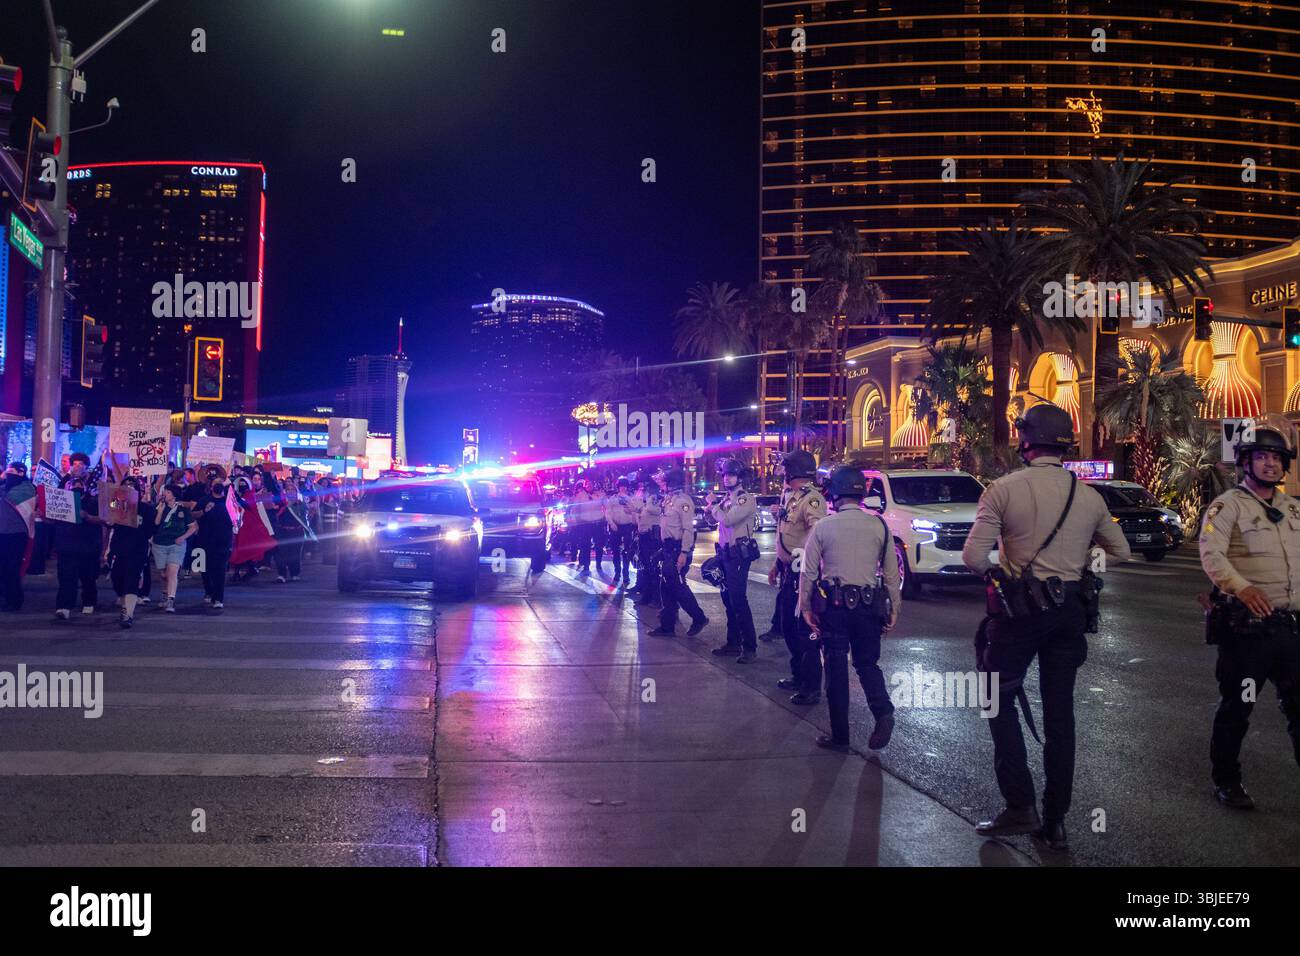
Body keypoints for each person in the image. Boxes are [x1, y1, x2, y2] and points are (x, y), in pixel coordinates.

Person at [961, 403, 1130, 851]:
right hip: (1069, 613)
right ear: (1065, 443)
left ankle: (1020, 805)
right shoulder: (1089, 496)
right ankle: (1054, 822)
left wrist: (1006, 572)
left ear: (1026, 441)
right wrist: (1078, 570)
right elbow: (1121, 551)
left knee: (998, 701)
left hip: (1019, 615)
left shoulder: (1002, 490)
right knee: (1060, 716)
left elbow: (974, 559)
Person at [1198, 415, 1300, 811]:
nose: (1270, 464)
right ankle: (1226, 780)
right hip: (1248, 634)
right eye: (1261, 457)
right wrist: (1242, 587)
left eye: (1277, 458)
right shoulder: (1227, 507)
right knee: (1237, 709)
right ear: (1245, 462)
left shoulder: (1293, 509)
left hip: (1290, 631)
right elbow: (1211, 554)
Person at [800, 465, 901, 752]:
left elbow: (807, 574)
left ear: (833, 493)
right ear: (863, 492)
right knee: (867, 664)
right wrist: (895, 607)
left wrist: (805, 606)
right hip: (869, 607)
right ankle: (883, 712)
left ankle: (840, 736)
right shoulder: (879, 525)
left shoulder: (824, 526)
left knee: (835, 665)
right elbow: (891, 574)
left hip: (835, 607)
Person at [771, 450, 827, 705]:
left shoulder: (812, 500)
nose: (782, 473)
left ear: (794, 471)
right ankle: (798, 674)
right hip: (787, 571)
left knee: (806, 631)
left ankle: (812, 685)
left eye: (785, 469)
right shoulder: (791, 497)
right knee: (788, 626)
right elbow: (785, 534)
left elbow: (818, 535)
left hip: (802, 571)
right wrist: (775, 563)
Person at [708, 458, 760, 662]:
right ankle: (733, 642)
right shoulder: (726, 499)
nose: (726, 478)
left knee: (738, 600)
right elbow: (714, 519)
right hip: (725, 553)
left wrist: (712, 505)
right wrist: (713, 509)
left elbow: (728, 520)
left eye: (730, 474)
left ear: (739, 477)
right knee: (728, 599)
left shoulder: (743, 498)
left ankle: (750, 647)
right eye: (724, 475)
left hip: (738, 554)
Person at [648, 467, 709, 637]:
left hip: (678, 549)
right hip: (668, 548)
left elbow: (688, 529)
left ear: (671, 483)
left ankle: (699, 617)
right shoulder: (669, 500)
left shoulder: (683, 501)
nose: (661, 484)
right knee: (666, 587)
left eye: (664, 481)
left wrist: (684, 552)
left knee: (678, 586)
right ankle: (667, 627)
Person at [52, 471, 104, 621]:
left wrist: (88, 517)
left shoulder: (94, 501)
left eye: (79, 484)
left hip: (88, 547)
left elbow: (106, 519)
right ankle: (64, 606)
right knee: (66, 577)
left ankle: (89, 601)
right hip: (66, 546)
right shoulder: (60, 501)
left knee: (88, 577)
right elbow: (50, 520)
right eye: (72, 484)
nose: (76, 486)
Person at [107, 477, 156, 629]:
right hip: (119, 547)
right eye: (126, 486)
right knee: (117, 578)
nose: (129, 489)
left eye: (133, 487)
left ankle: (128, 613)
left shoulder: (146, 509)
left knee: (131, 580)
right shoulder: (115, 504)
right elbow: (108, 520)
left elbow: (150, 531)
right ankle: (124, 603)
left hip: (137, 549)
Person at [151, 481, 197, 613]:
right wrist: (159, 510)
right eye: (165, 491)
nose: (165, 494)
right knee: (163, 573)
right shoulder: (159, 507)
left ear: (174, 495)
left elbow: (193, 527)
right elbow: (156, 524)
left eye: (168, 492)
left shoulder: (183, 510)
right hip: (159, 544)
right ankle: (165, 593)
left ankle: (171, 599)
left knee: (172, 571)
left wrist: (183, 537)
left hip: (176, 544)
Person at [194, 474, 234, 609]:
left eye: (220, 483)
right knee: (204, 569)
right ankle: (209, 591)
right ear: (211, 487)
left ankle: (218, 598)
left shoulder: (229, 501)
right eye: (215, 483)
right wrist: (205, 511)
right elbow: (193, 514)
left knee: (219, 570)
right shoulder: (205, 500)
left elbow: (239, 514)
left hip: (223, 540)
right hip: (204, 540)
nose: (218, 485)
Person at [1, 466, 35, 611]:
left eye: (11, 473)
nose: (8, 476)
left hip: (17, 534)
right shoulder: (5, 487)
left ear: (21, 473)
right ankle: (5, 597)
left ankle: (14, 600)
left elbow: (9, 497)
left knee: (13, 568)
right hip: (2, 532)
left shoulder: (26, 489)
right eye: (7, 473)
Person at [633, 476, 663, 607]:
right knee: (645, 568)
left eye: (643, 487)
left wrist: (645, 502)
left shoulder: (654, 499)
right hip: (644, 537)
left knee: (653, 569)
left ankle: (656, 598)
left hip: (652, 538)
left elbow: (656, 510)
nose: (641, 489)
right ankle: (647, 596)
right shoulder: (646, 501)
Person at [605, 477, 638, 588]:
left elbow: (634, 510)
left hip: (627, 527)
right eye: (621, 486)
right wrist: (611, 523)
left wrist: (628, 505)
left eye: (625, 486)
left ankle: (626, 574)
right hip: (616, 528)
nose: (623, 488)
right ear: (618, 487)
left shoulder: (630, 499)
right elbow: (608, 513)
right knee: (615, 551)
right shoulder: (612, 499)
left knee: (627, 551)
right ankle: (617, 573)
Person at [273, 481, 309, 582]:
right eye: (288, 489)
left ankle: (295, 573)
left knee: (295, 553)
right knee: (281, 553)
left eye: (292, 490)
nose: (290, 491)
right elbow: (276, 513)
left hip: (297, 531)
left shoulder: (300, 503)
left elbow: (305, 515)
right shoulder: (281, 502)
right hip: (283, 531)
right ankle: (282, 575)